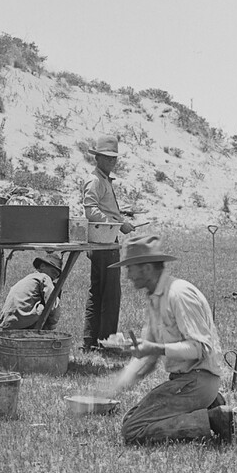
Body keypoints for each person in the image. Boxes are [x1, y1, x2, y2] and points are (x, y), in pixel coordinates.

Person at [110, 234, 233, 445]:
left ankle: (211, 419)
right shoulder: (155, 298)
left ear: (147, 268)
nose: (128, 276)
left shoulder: (179, 294)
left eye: (130, 268)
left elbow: (199, 349)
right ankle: (211, 407)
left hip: (197, 380)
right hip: (184, 381)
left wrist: (154, 348)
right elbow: (147, 358)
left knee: (133, 430)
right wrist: (111, 386)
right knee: (131, 419)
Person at [82, 135, 143, 349]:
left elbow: (103, 209)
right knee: (110, 295)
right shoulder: (95, 180)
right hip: (104, 242)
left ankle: (91, 340)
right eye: (107, 158)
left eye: (113, 159)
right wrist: (117, 225)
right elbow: (91, 210)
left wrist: (120, 220)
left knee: (99, 292)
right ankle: (105, 341)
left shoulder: (103, 180)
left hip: (105, 240)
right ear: (97, 158)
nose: (111, 162)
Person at [0, 251, 64, 331]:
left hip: (7, 323)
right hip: (22, 322)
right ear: (42, 266)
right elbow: (52, 304)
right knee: (45, 307)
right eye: (53, 272)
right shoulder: (44, 277)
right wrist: (52, 325)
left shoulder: (28, 278)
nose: (53, 277)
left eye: (56, 276)